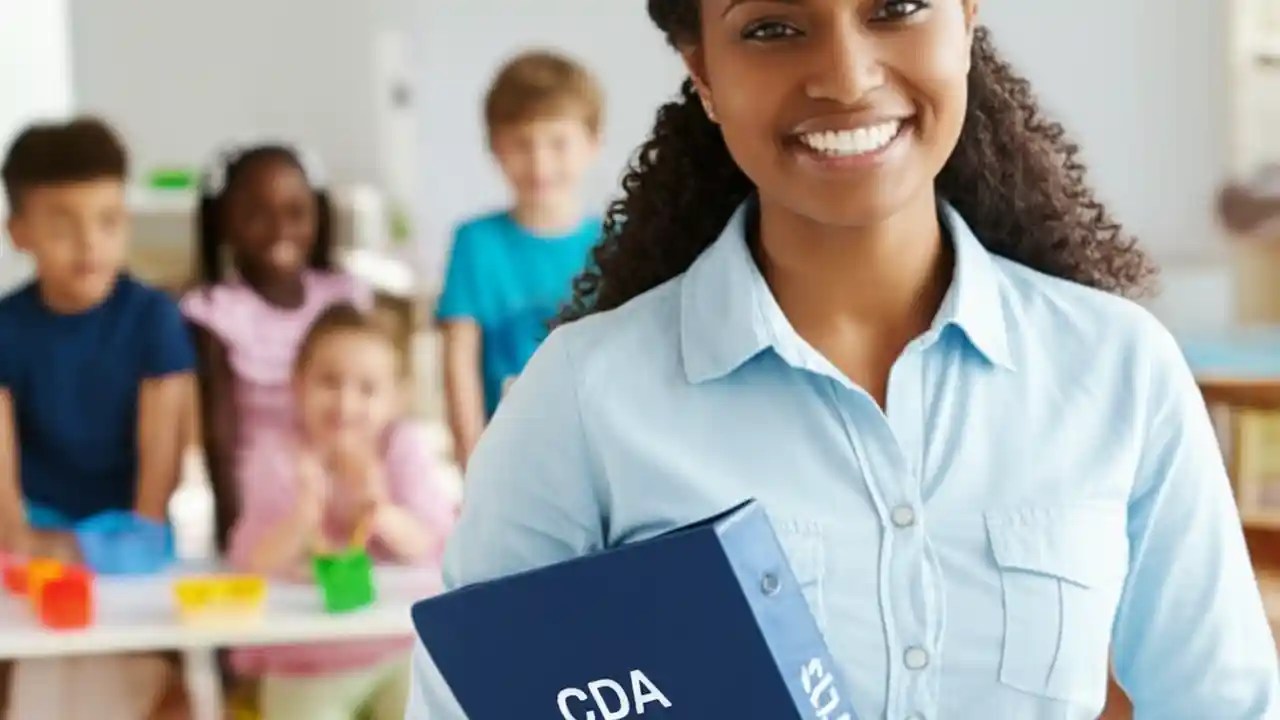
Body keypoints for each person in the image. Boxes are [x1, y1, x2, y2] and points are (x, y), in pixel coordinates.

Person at [410, 1, 1280, 719]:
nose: (846, 74)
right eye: (772, 28)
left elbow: (1224, 706)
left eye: (896, 8)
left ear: (968, 17)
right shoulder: (581, 399)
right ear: (702, 72)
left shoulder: (1120, 371)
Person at [0, 118, 193, 719]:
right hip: (35, 527)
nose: (89, 243)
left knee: (147, 669)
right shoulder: (7, 326)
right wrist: (21, 538)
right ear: (19, 232)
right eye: (62, 223)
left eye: (108, 220)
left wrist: (114, 540)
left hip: (125, 533)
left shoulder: (153, 318)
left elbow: (158, 478)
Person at [228, 304, 455, 720]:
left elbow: (435, 543)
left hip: (397, 647)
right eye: (329, 382)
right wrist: (303, 515)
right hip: (304, 660)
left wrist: (379, 510)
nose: (346, 402)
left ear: (396, 398)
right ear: (297, 384)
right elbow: (252, 562)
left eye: (367, 388)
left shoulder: (402, 448)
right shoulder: (277, 454)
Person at [182, 144, 371, 547]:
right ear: (223, 222)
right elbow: (220, 437)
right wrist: (231, 537)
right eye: (255, 214)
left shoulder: (344, 295)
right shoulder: (215, 312)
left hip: (341, 488)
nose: (279, 229)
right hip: (263, 497)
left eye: (296, 212)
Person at [437, 50, 604, 469]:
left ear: (592, 144)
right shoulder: (475, 243)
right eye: (522, 144)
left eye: (558, 143)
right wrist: (472, 466)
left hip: (596, 457)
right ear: (495, 146)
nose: (540, 162)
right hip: (505, 463)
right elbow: (459, 364)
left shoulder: (618, 243)